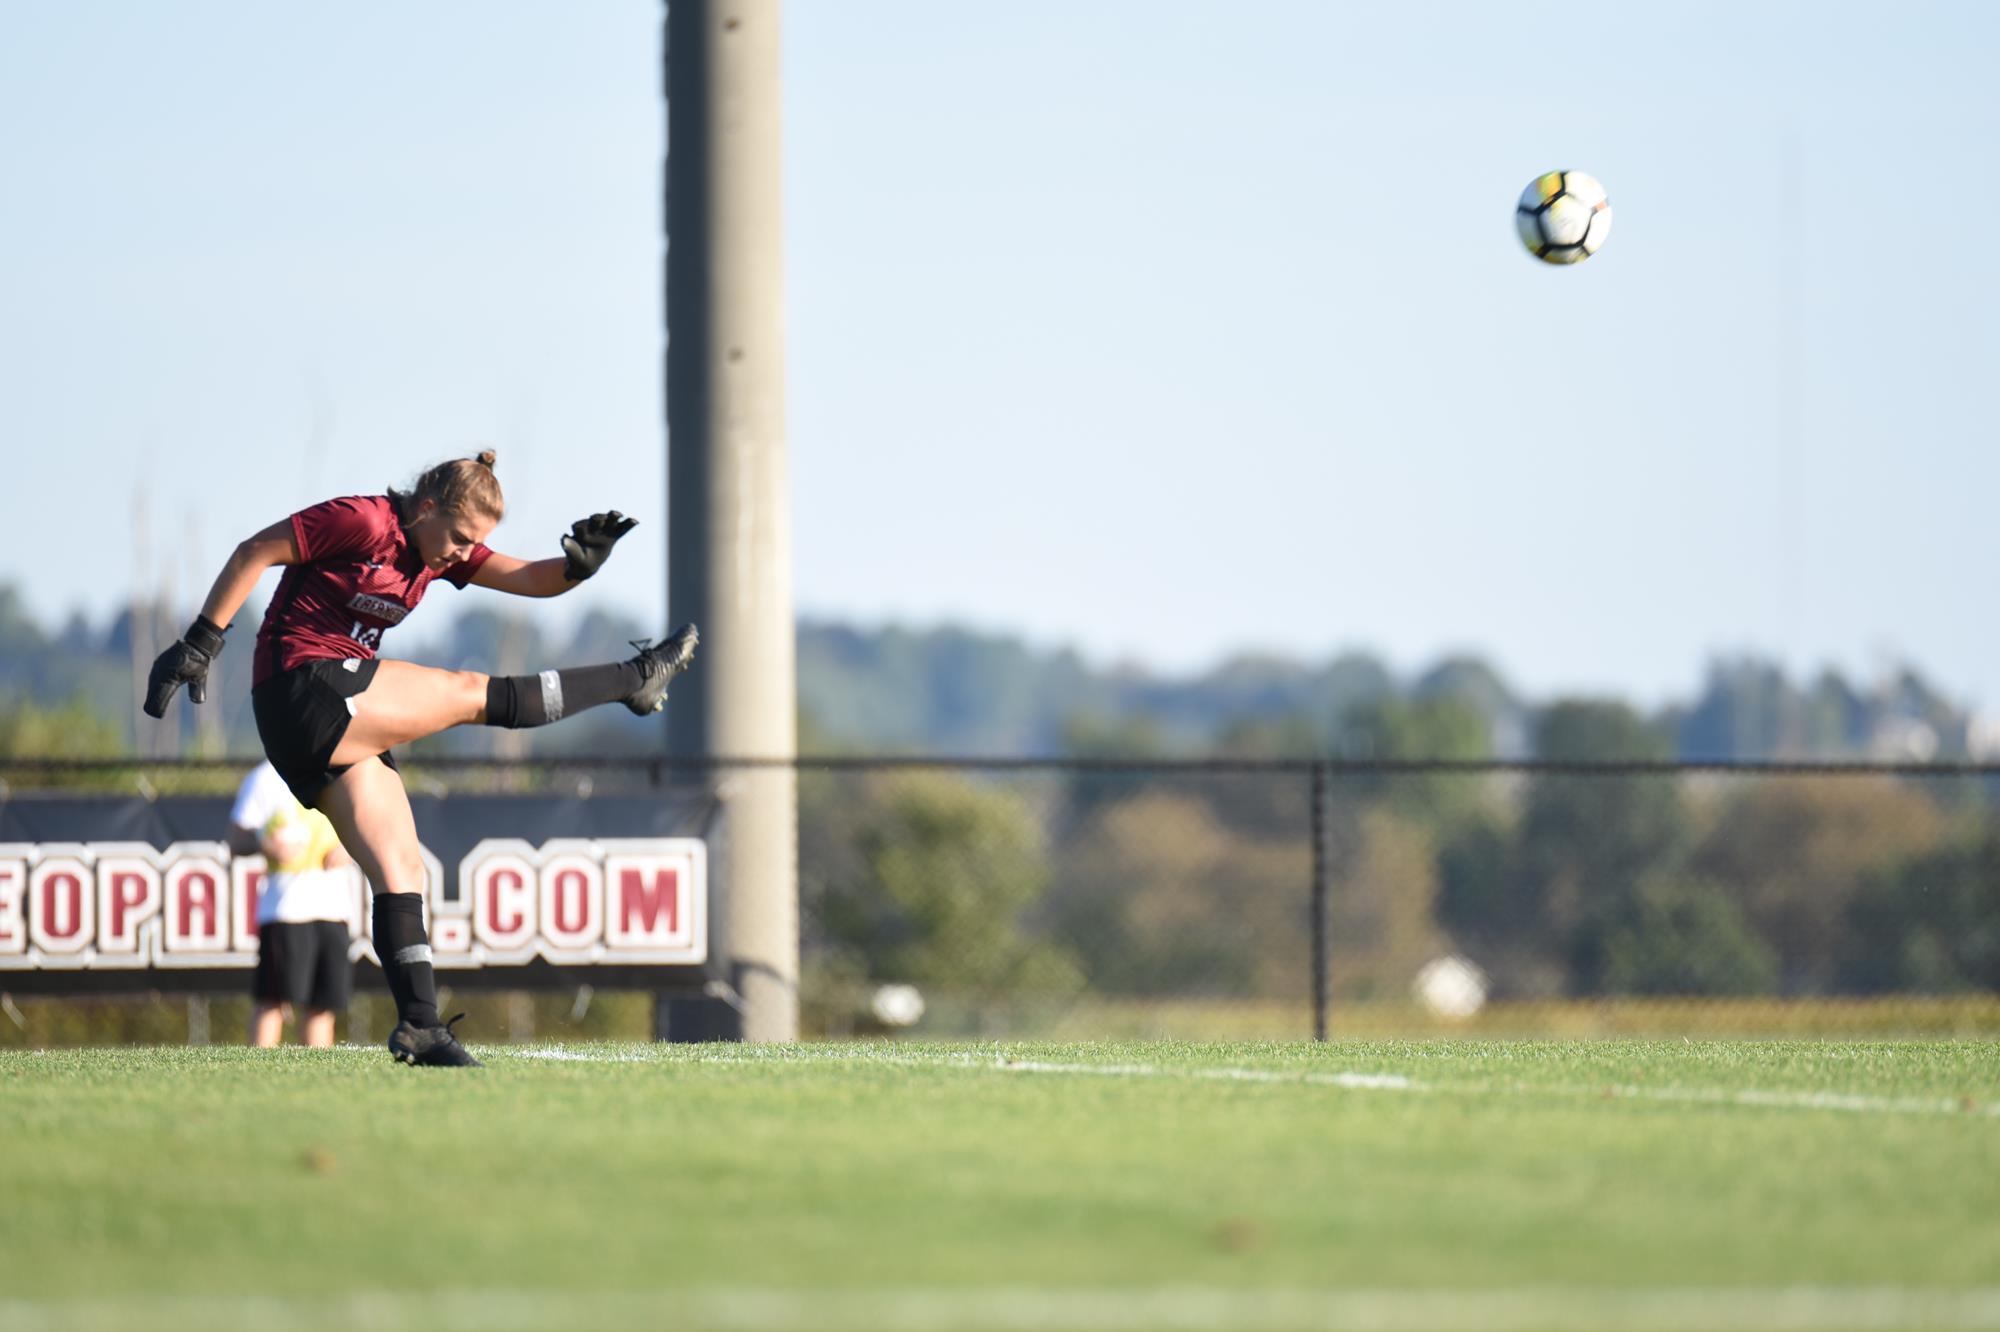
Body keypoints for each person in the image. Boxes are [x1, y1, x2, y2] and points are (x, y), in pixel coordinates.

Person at [145, 451, 698, 1068]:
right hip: (301, 684)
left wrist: (577, 570)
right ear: (427, 507)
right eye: (461, 537)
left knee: (402, 868)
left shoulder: (437, 550)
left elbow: (531, 580)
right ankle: (632, 678)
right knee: (467, 692)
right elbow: (255, 549)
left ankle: (421, 1026)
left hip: (324, 717)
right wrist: (202, 640)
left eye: (476, 544)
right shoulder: (365, 520)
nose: (464, 553)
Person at [229, 760, 357, 1048]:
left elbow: (363, 824)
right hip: (286, 910)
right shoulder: (264, 778)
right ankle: (255, 1083)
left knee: (322, 1007)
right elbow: (236, 840)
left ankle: (318, 1086)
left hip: (333, 909)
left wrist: (348, 847)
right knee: (273, 1003)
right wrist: (267, 844)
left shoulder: (340, 770)